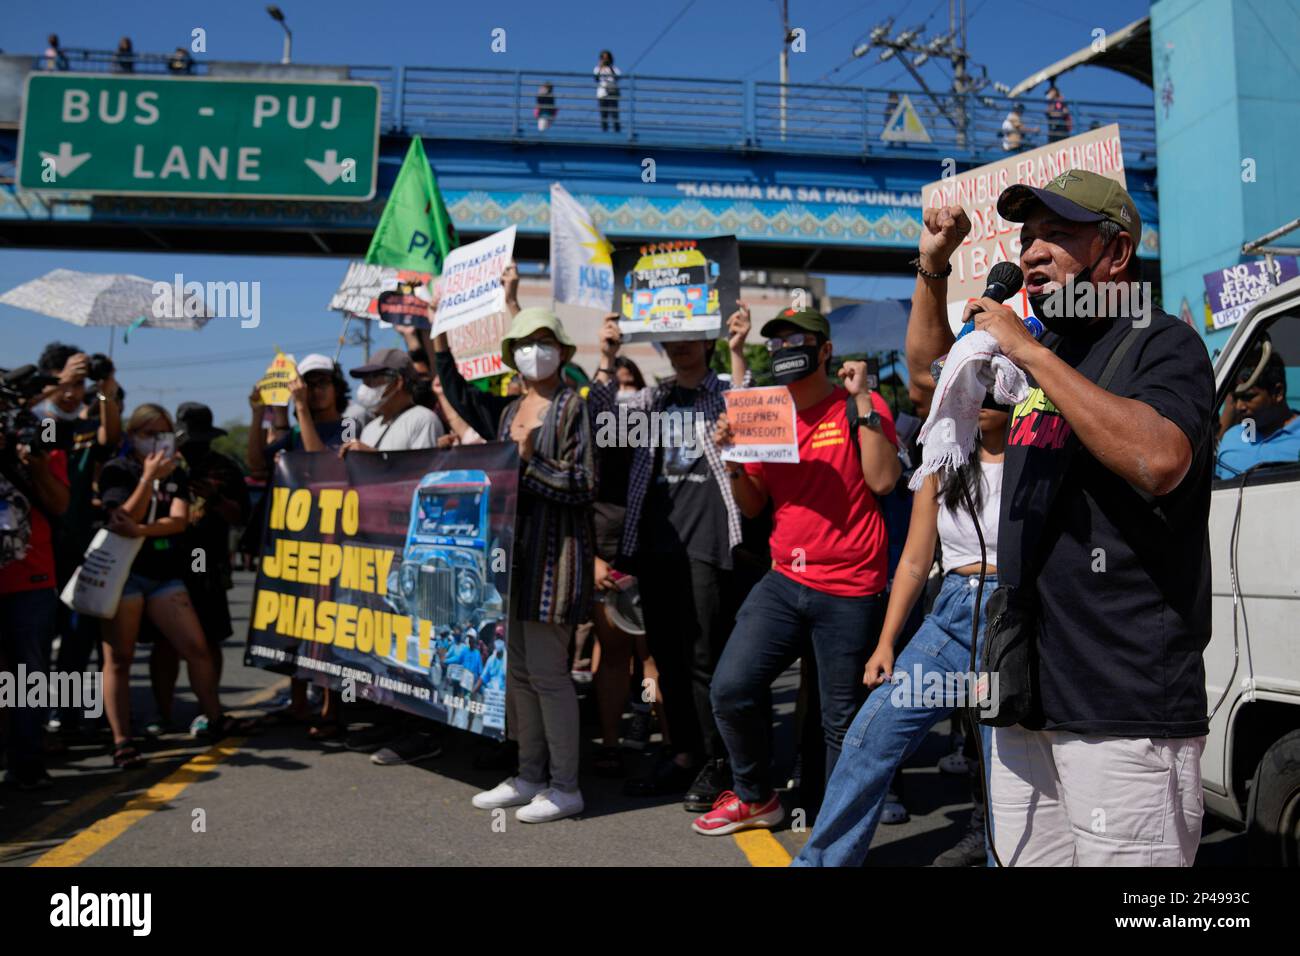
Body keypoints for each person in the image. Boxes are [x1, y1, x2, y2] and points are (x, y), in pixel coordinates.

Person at [905, 169, 1215, 865]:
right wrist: (933, 271)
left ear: (1116, 253)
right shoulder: (1041, 350)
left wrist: (1028, 349)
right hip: (1027, 693)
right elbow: (931, 375)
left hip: (1122, 706)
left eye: (1058, 235)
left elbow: (1159, 458)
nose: (1033, 251)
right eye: (1028, 236)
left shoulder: (1158, 341)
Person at [695, 308, 902, 836]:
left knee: (840, 724)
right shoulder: (766, 412)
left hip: (852, 588)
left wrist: (861, 398)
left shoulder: (860, 405)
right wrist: (736, 462)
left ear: (825, 350)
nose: (785, 346)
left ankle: (837, 834)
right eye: (778, 339)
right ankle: (755, 797)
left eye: (798, 338)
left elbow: (882, 481)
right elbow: (755, 504)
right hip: (785, 580)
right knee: (730, 688)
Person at [792, 399, 1008, 866]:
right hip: (949, 618)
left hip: (1011, 622)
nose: (985, 395)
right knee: (870, 738)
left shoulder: (1040, 452)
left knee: (1005, 776)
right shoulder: (942, 455)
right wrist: (886, 643)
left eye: (996, 382)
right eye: (975, 383)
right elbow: (914, 560)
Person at [431, 306, 595, 823]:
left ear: (563, 352)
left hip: (555, 560)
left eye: (545, 340)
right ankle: (529, 775)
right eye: (525, 342)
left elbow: (586, 483)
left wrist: (532, 463)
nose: (534, 350)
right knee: (520, 674)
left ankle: (566, 786)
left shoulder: (573, 406)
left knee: (549, 674)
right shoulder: (506, 413)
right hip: (512, 563)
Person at [588, 305, 753, 810]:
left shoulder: (720, 391)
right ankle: (684, 753)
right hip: (657, 549)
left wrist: (740, 351)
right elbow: (597, 423)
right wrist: (606, 354)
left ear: (707, 341)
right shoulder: (652, 399)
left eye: (690, 336)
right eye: (671, 337)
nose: (680, 345)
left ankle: (719, 759)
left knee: (707, 660)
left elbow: (749, 415)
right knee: (670, 662)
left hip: (707, 545)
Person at [97, 405, 245, 769]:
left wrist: (145, 531)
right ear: (132, 435)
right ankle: (123, 740)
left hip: (170, 572)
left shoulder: (180, 470)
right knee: (119, 657)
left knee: (197, 645)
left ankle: (213, 717)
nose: (156, 440)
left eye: (161, 433)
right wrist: (148, 480)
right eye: (147, 433)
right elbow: (121, 517)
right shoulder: (118, 469)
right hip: (124, 574)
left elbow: (177, 521)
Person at [145, 403, 249, 738]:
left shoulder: (225, 469)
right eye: (189, 440)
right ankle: (163, 713)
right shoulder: (164, 465)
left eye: (200, 440)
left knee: (208, 638)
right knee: (165, 642)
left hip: (205, 561)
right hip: (165, 560)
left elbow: (241, 518)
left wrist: (215, 497)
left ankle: (209, 709)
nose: (194, 447)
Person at [36, 344, 121, 739]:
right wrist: (56, 385)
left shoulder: (86, 425)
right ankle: (29, 722)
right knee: (33, 637)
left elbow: (111, 434)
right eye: (66, 383)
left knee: (77, 635)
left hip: (80, 545)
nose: (73, 392)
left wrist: (105, 388)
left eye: (78, 384)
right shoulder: (32, 421)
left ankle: (67, 716)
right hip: (37, 547)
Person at [0, 418, 69, 789]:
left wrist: (35, 465)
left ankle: (27, 761)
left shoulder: (36, 440)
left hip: (31, 579)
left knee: (29, 676)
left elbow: (60, 504)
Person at [1215, 338, 1299, 478]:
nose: (1239, 406)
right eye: (1236, 398)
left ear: (1277, 393)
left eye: (1248, 397)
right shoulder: (1231, 439)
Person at [342, 349, 444, 456]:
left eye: (373, 377)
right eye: (365, 379)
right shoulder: (369, 429)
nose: (366, 385)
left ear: (397, 382)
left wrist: (374, 457)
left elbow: (424, 468)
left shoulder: (423, 420)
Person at [594, 50, 621, 133]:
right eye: (603, 58)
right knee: (603, 114)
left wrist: (610, 67)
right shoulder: (597, 68)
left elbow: (618, 77)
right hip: (602, 94)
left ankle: (616, 131)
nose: (605, 59)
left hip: (612, 92)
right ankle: (604, 131)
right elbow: (596, 78)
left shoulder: (614, 68)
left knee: (614, 114)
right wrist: (601, 67)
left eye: (607, 58)